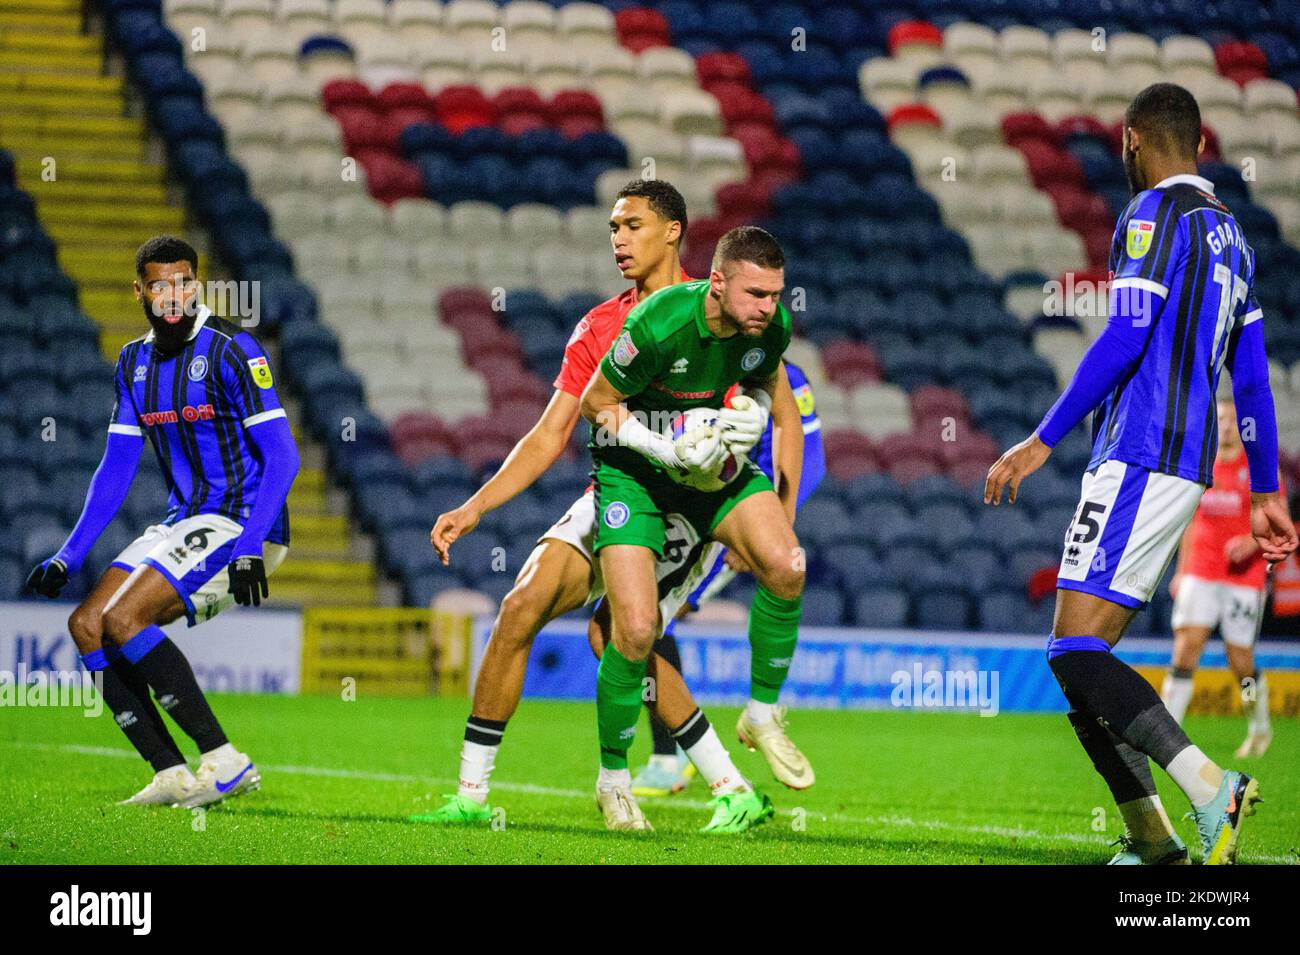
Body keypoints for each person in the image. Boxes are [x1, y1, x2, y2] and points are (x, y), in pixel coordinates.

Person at [418, 181, 797, 832]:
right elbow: (550, 431)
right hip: (619, 487)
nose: (618, 239)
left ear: (674, 231)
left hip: (694, 500)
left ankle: (725, 786)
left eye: (633, 225)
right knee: (522, 608)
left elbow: (783, 412)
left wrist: (767, 494)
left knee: (624, 631)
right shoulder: (601, 325)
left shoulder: (735, 314)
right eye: (612, 228)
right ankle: (471, 796)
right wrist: (476, 504)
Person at [985, 84, 1297, 865]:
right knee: (1082, 662)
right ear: (1201, 140)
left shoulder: (1153, 215)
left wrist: (1042, 436)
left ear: (1131, 141)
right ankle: (1153, 842)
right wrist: (1265, 488)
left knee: (1073, 653)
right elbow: (1252, 383)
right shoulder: (1234, 238)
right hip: (1185, 464)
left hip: (1139, 451)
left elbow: (1125, 335)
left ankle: (1207, 786)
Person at [25, 235, 299, 808]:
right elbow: (116, 467)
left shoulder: (232, 348)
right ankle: (170, 772)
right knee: (88, 624)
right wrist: (68, 555)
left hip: (244, 520)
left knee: (126, 618)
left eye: (183, 283)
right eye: (160, 285)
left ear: (196, 285)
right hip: (186, 518)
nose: (173, 296)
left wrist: (251, 547)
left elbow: (283, 455)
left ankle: (226, 761)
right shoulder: (133, 362)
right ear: (140, 291)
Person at [580, 226, 808, 831]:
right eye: (757, 293)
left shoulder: (771, 328)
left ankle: (761, 713)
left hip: (713, 470)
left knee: (788, 566)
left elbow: (762, 384)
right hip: (636, 474)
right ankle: (614, 780)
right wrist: (662, 447)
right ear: (717, 282)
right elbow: (595, 403)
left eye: (776, 294)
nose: (770, 307)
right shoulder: (660, 322)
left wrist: (752, 416)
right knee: (632, 631)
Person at [627, 360, 826, 797]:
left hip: (738, 515)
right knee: (646, 617)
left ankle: (672, 754)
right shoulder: (706, 360)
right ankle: (677, 749)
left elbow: (810, 458)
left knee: (651, 617)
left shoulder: (784, 375)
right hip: (691, 508)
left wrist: (771, 522)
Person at [1163, 396, 1281, 757]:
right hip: (1200, 570)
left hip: (1243, 578)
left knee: (1240, 662)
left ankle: (1259, 725)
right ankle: (1166, 736)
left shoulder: (1259, 469)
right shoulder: (1198, 464)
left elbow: (1283, 524)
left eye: (1232, 420)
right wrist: (1182, 572)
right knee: (1186, 648)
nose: (1226, 426)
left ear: (1242, 425)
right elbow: (1187, 522)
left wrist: (1251, 541)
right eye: (1221, 419)